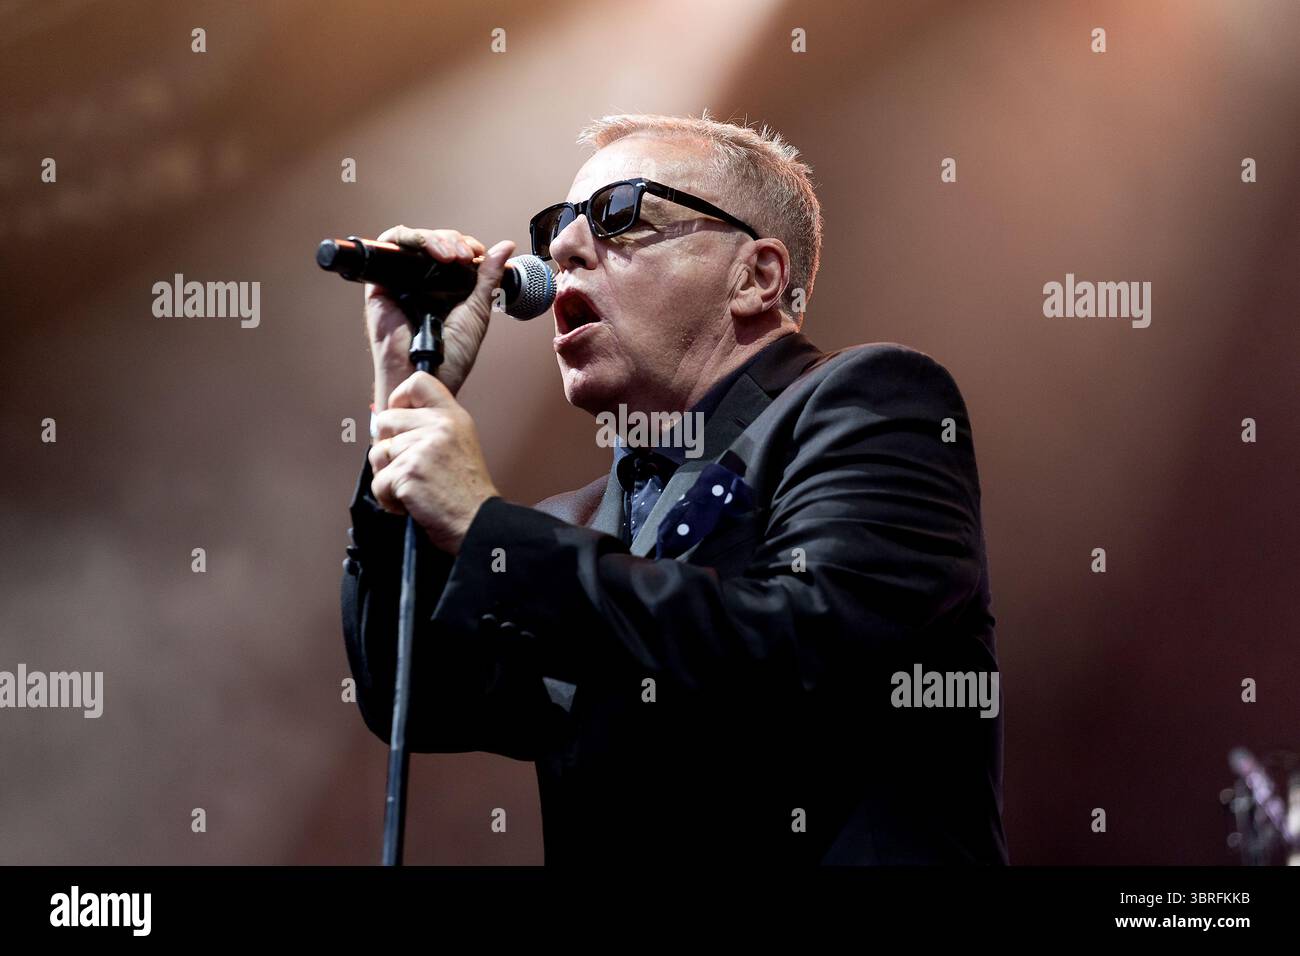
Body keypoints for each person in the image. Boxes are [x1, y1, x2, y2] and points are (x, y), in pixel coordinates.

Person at [341, 113, 1008, 865]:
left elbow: (801, 648)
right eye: (557, 225)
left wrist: (485, 528)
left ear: (756, 277)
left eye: (620, 214)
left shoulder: (873, 401)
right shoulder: (576, 520)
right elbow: (422, 699)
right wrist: (406, 402)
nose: (561, 249)